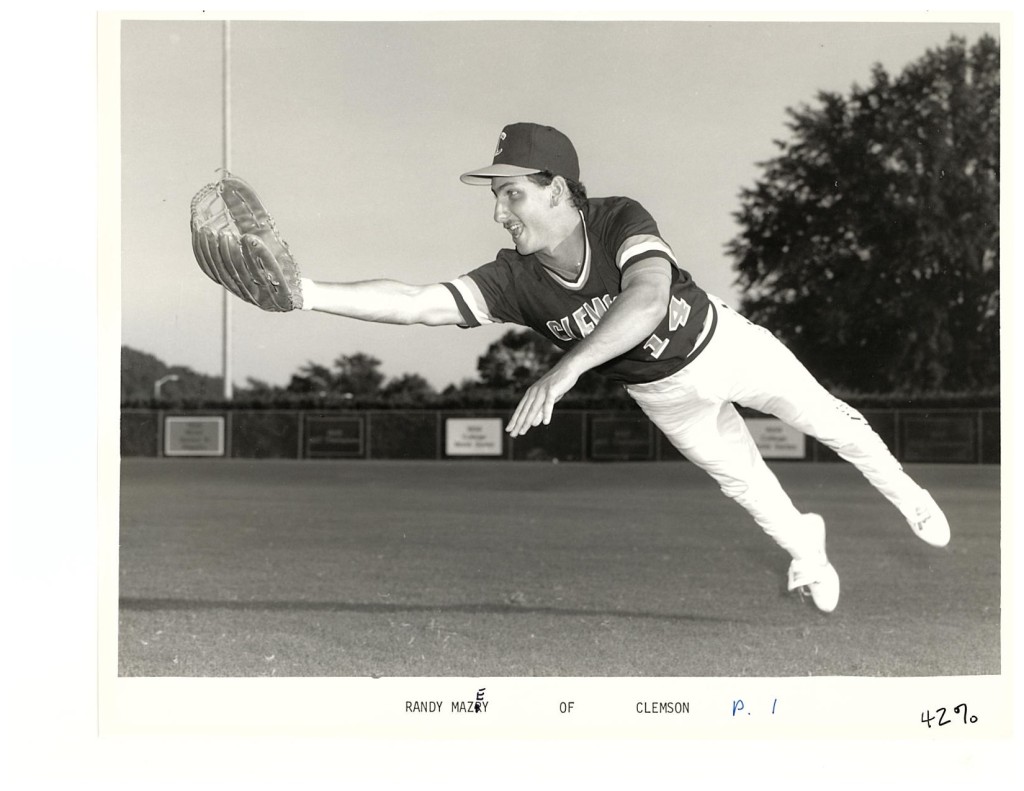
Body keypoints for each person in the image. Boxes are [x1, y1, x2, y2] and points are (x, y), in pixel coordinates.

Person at [289, 122, 951, 613]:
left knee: (829, 420)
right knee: (744, 483)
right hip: (662, 393)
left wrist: (563, 371)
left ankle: (909, 497)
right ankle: (808, 550)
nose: (498, 211)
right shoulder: (513, 278)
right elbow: (417, 303)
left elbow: (647, 298)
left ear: (557, 191)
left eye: (511, 194)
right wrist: (308, 292)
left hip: (726, 344)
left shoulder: (616, 220)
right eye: (495, 198)